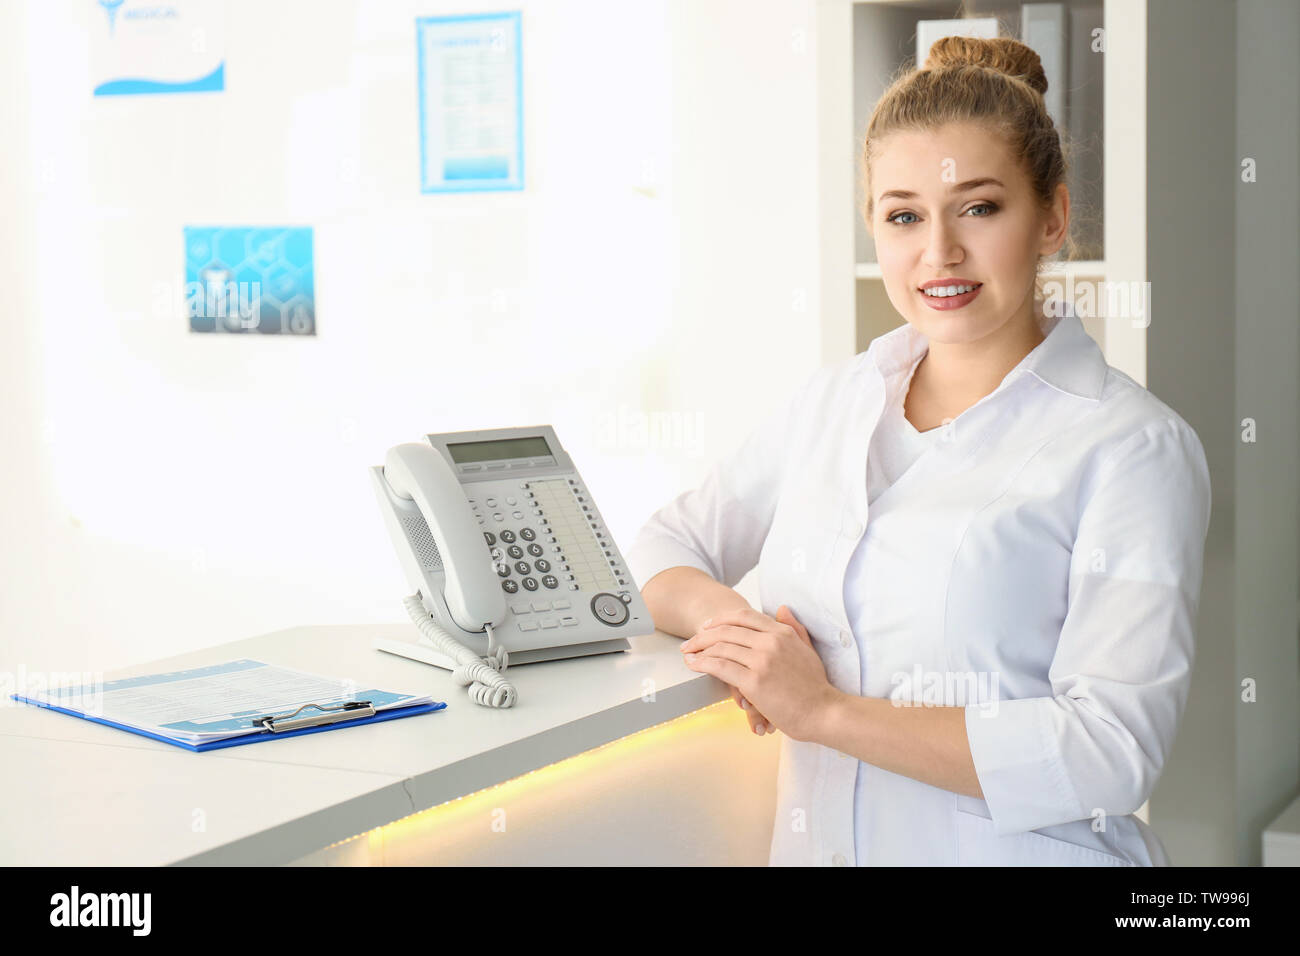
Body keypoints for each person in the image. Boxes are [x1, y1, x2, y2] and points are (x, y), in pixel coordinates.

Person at [624, 36, 1212, 866]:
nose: (938, 252)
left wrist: (822, 710)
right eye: (904, 215)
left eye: (979, 207)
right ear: (874, 226)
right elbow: (661, 550)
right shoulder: (832, 403)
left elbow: (1109, 752)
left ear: (1052, 216)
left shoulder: (1133, 447)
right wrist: (749, 638)